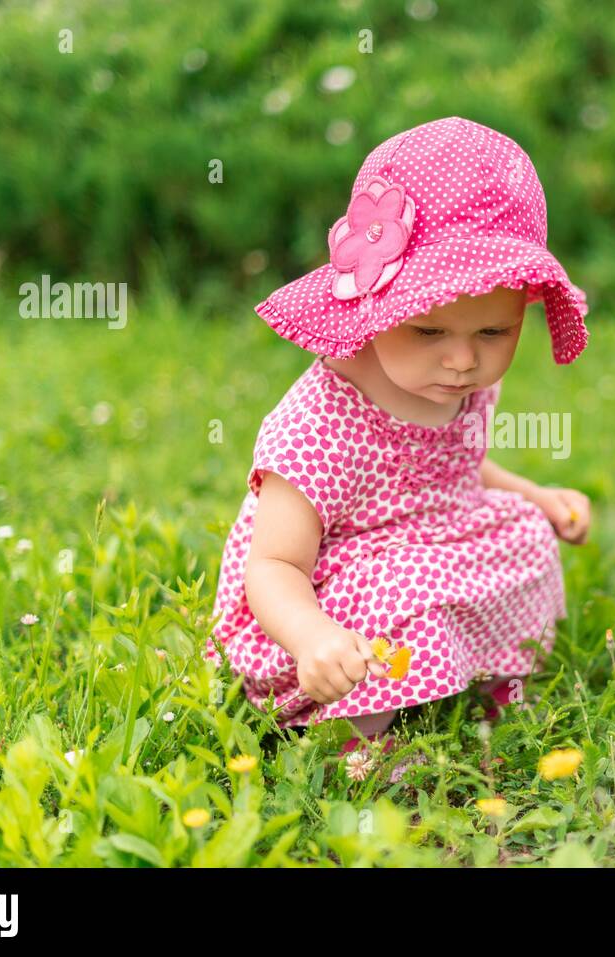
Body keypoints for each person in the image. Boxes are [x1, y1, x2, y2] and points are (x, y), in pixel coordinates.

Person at [206, 117, 592, 777]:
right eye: (429, 329)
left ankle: (490, 674)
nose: (463, 360)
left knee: (525, 533)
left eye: (494, 331)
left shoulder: (458, 383)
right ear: (376, 307)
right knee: (394, 589)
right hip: (325, 593)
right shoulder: (319, 421)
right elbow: (272, 566)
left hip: (426, 538)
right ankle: (357, 733)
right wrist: (311, 635)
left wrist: (538, 496)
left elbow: (457, 466)